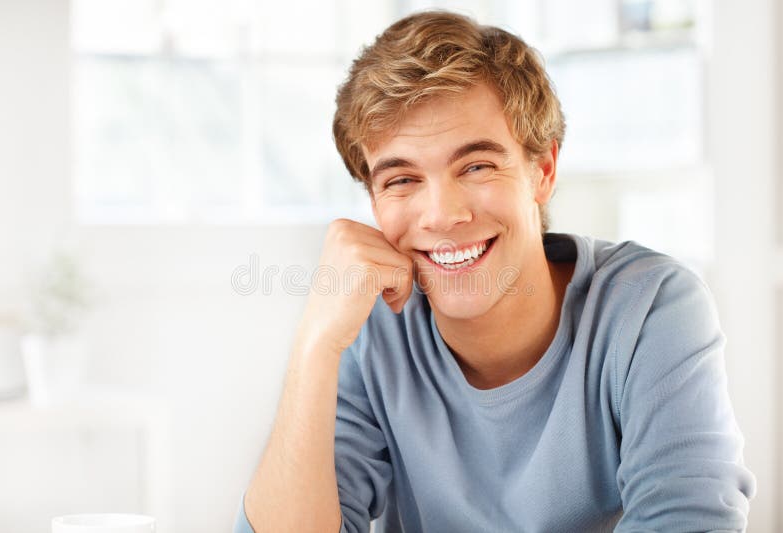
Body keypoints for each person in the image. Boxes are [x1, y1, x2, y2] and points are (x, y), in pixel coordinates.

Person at [234, 10, 756, 533]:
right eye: (401, 180)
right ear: (373, 198)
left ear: (542, 171)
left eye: (477, 166)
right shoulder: (371, 329)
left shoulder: (650, 310)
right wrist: (315, 345)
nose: (442, 214)